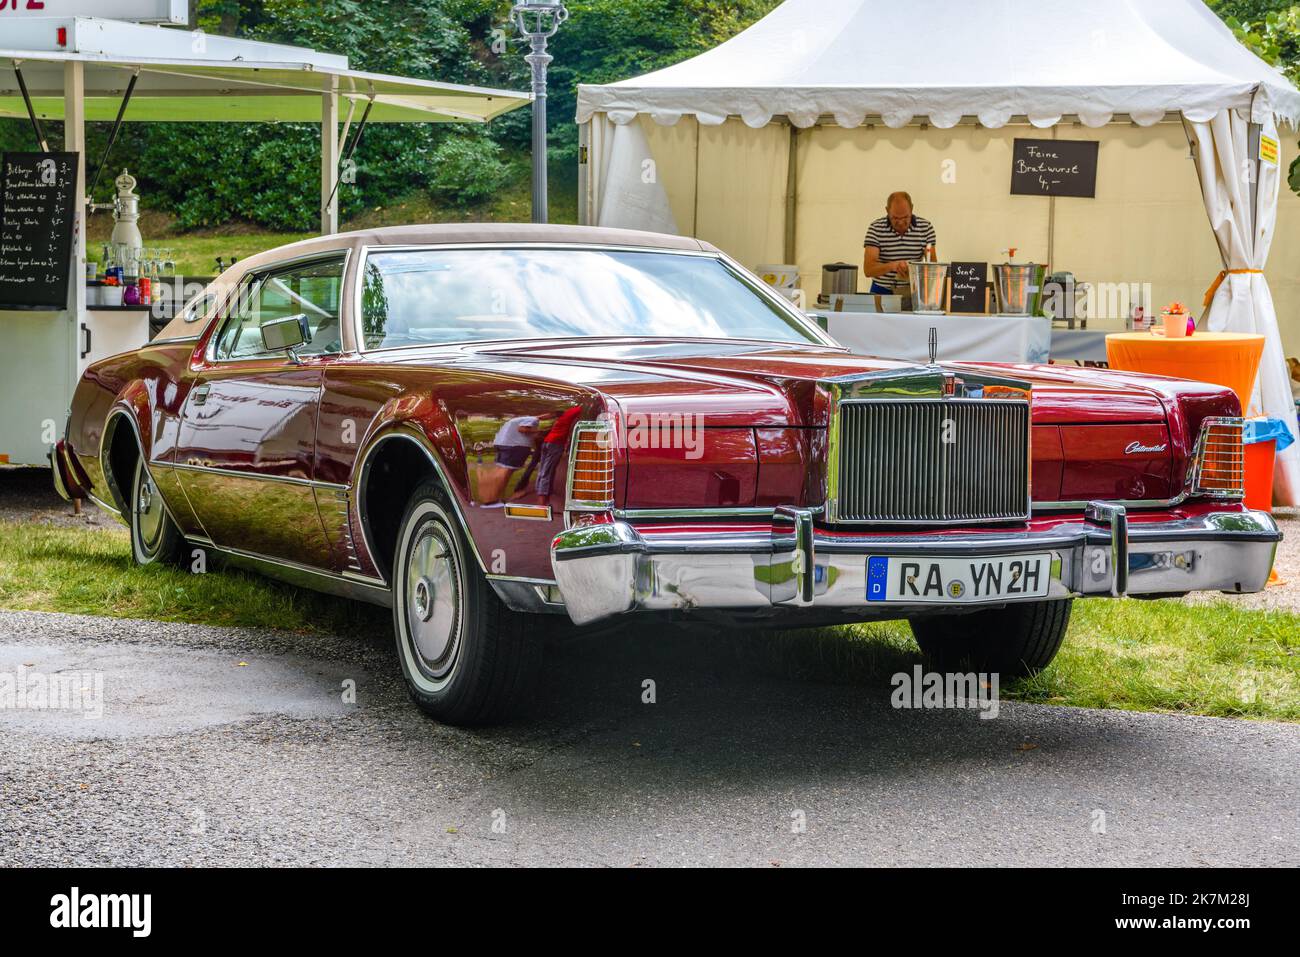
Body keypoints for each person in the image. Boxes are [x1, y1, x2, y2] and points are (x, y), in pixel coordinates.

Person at [863, 191, 937, 295]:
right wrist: (893, 266)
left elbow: (932, 267)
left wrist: (912, 269)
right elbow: (869, 269)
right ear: (887, 211)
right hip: (882, 291)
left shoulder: (925, 227)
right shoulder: (875, 228)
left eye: (906, 217)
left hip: (913, 291)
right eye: (895, 218)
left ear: (912, 209)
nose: (901, 222)